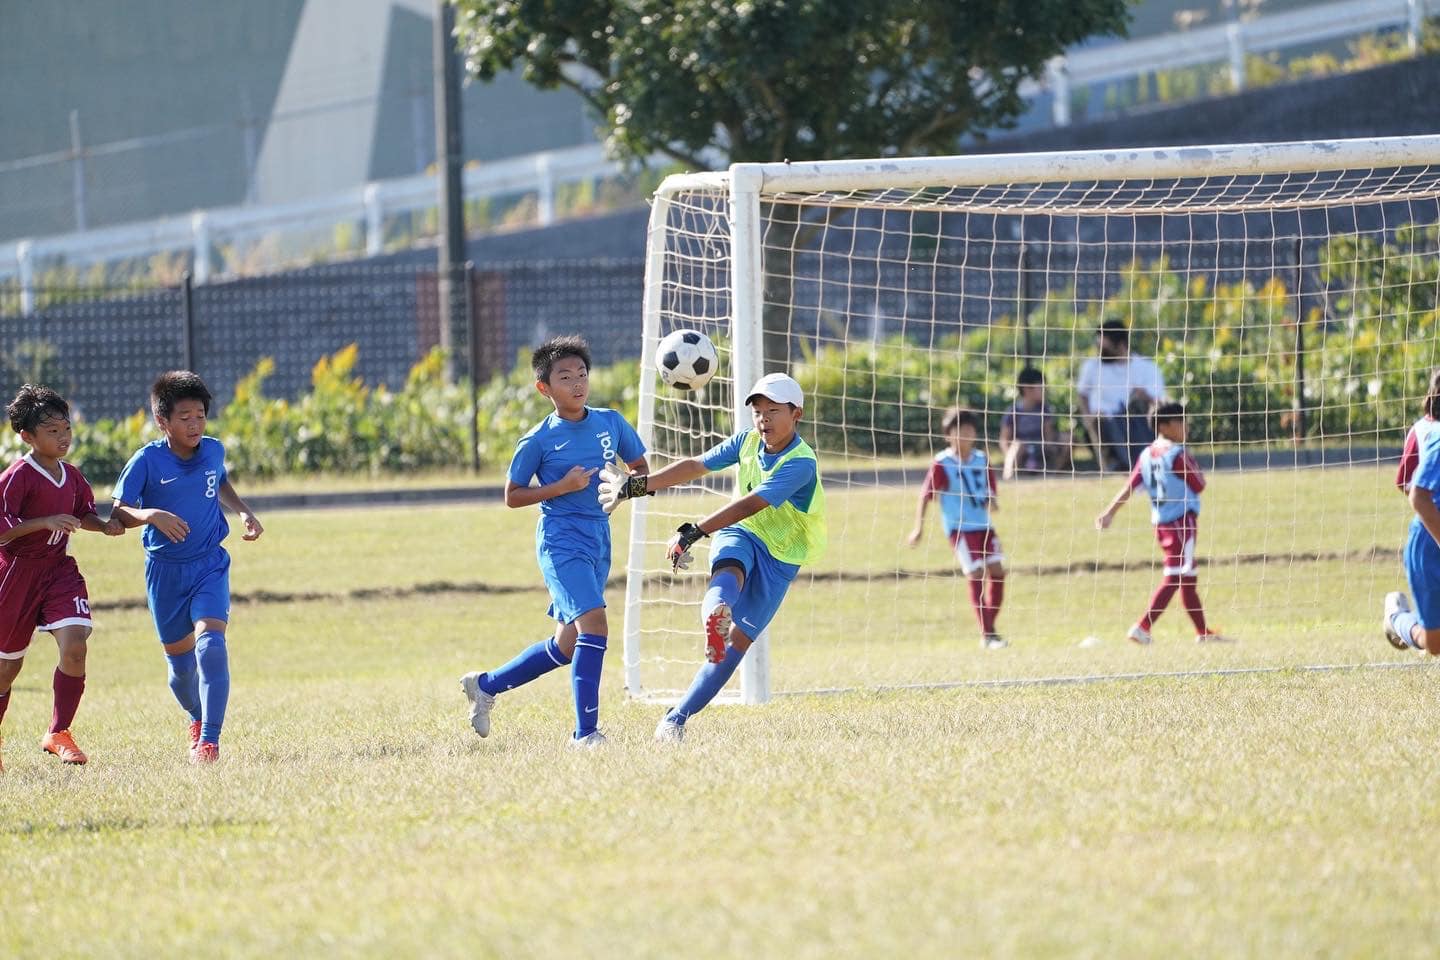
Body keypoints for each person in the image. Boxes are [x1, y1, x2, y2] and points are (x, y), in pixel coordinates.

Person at [599, 372, 825, 742]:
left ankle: (677, 717)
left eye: (773, 411)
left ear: (796, 413)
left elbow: (751, 503)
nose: (763, 419)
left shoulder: (802, 463)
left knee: (734, 646)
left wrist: (695, 531)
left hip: (782, 555)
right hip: (744, 533)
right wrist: (636, 485)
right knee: (728, 569)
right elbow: (695, 465)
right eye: (757, 411)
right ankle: (715, 617)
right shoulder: (747, 441)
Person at [461, 335, 647, 748]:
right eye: (566, 377)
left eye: (582, 375)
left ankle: (486, 685)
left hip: (599, 539)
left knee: (566, 645)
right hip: (561, 544)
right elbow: (512, 496)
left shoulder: (611, 422)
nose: (578, 383)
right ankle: (586, 735)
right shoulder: (538, 440)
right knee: (594, 624)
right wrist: (561, 487)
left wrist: (626, 486)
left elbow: (641, 469)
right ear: (544, 388)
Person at [111, 371, 264, 764]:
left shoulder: (213, 450)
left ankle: (209, 742)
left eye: (200, 415)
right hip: (165, 574)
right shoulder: (146, 460)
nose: (194, 424)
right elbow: (119, 512)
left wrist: (244, 512)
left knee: (211, 646)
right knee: (180, 671)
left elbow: (221, 480)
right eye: (184, 417)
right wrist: (151, 515)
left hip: (209, 564)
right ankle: (195, 719)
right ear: (163, 422)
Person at [0, 385, 124, 770]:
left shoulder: (71, 476)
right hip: (16, 574)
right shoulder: (17, 476)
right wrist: (43, 522)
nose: (63, 437)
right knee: (7, 668)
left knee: (76, 645)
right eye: (52, 431)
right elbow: (3, 531)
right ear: (27, 436)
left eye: (66, 428)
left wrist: (102, 526)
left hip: (58, 571)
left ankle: (58, 732)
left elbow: (81, 512)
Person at [1095, 402, 1228, 645]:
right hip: (1182, 523)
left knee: (1188, 577)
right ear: (1164, 426)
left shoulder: (1146, 454)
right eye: (1180, 421)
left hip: (1162, 524)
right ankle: (1142, 626)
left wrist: (1109, 513)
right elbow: (1200, 484)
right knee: (1176, 576)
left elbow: (1130, 486)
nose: (1185, 426)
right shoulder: (1177, 455)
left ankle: (1203, 633)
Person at [906, 407, 1007, 649]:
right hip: (959, 528)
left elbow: (990, 489)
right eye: (959, 431)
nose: (965, 435)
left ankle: (989, 629)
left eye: (969, 430)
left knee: (998, 571)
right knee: (976, 573)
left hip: (984, 525)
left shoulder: (982, 459)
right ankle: (988, 634)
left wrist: (992, 501)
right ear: (948, 435)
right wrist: (917, 527)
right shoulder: (942, 463)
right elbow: (925, 495)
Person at [1384, 370, 1440, 654]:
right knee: (1435, 645)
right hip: (1429, 538)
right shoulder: (1423, 431)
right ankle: (1397, 616)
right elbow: (1410, 486)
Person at [1076, 320, 1166, 471]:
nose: (1099, 350)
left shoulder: (1147, 368)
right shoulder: (1091, 367)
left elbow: (1159, 401)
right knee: (1103, 419)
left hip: (1138, 421)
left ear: (1121, 345)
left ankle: (1143, 462)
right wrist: (1088, 418)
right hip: (1104, 424)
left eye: (1104, 347)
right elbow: (1082, 394)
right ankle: (1125, 466)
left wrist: (1144, 396)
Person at [998, 367, 1071, 478]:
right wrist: (1010, 454)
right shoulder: (1013, 411)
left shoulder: (1044, 409)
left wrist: (1049, 446)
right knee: (1018, 445)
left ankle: (1053, 473)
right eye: (1041, 387)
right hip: (1021, 450)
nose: (1045, 390)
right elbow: (1004, 439)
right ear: (1027, 389)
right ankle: (1008, 476)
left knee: (1068, 439)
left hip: (1041, 447)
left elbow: (1048, 435)